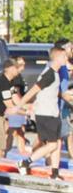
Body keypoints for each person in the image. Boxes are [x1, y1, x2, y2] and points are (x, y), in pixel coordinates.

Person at [17, 44, 73, 173]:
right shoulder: (49, 74)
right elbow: (33, 90)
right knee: (52, 144)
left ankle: (54, 173)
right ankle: (25, 162)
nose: (67, 59)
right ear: (58, 57)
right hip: (46, 114)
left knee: (57, 143)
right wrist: (18, 106)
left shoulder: (56, 73)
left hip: (53, 112)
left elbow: (56, 92)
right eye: (65, 56)